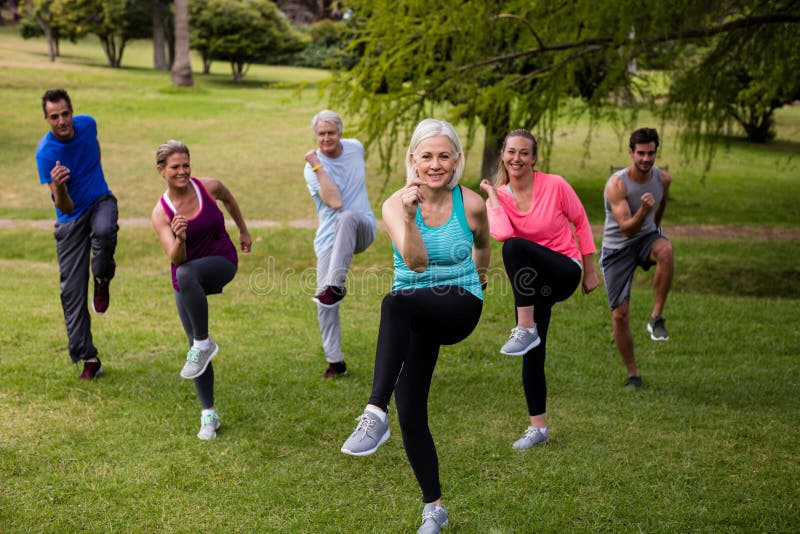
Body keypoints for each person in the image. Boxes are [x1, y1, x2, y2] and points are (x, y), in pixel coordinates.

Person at [340, 119, 490, 534]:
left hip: (460, 305)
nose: (435, 164)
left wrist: (481, 275)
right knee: (409, 410)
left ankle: (373, 411)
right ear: (413, 159)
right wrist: (408, 217)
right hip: (415, 312)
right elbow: (415, 261)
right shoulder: (393, 205)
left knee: (394, 301)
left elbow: (482, 244)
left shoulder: (472, 203)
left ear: (457, 160)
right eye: (427, 156)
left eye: (444, 156)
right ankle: (434, 508)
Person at [479, 129, 599, 450]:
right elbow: (502, 232)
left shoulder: (555, 184)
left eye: (524, 153)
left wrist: (590, 270)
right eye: (510, 152)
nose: (516, 158)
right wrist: (492, 197)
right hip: (534, 286)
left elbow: (581, 221)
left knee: (516, 249)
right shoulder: (502, 196)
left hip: (564, 270)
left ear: (534, 158)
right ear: (503, 155)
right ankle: (538, 428)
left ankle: (524, 326)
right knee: (533, 353)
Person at [151, 140, 252, 440]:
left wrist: (243, 230)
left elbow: (230, 201)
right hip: (186, 276)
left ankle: (203, 341)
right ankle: (209, 414)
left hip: (221, 260)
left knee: (199, 341)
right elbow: (176, 257)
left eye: (186, 165)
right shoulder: (161, 213)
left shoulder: (208, 187)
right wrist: (180, 238)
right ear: (161, 171)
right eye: (174, 167)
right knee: (195, 348)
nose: (182, 171)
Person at [35, 88, 119, 380]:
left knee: (105, 231)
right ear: (46, 119)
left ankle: (102, 278)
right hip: (70, 218)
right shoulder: (46, 155)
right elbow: (66, 206)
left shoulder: (88, 124)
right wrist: (59, 187)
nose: (62, 121)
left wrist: (93, 173)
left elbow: (93, 149)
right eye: (54, 116)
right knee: (71, 292)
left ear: (73, 112)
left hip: (100, 202)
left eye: (65, 113)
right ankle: (89, 357)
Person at [303, 110, 376, 378]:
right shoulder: (311, 169)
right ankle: (335, 361)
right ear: (315, 136)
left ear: (340, 133)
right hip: (329, 240)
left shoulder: (356, 148)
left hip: (362, 227)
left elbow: (340, 206)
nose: (326, 138)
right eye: (321, 134)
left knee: (347, 216)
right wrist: (317, 165)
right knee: (325, 302)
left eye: (331, 132)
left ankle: (335, 285)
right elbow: (332, 199)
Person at [601, 127, 673, 390]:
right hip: (617, 248)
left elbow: (661, 204)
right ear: (630, 152)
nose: (646, 159)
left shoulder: (663, 179)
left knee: (666, 250)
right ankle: (633, 374)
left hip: (645, 238)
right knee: (620, 315)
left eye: (651, 153)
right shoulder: (617, 184)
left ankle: (656, 317)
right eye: (641, 153)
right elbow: (627, 228)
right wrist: (644, 210)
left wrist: (655, 230)